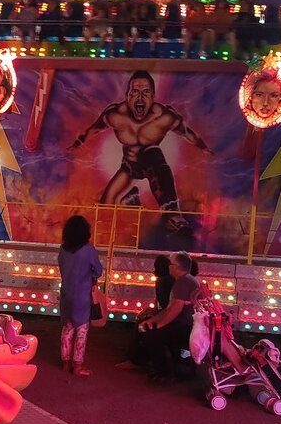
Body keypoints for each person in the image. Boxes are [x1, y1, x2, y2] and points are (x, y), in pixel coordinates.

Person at [69, 69, 211, 232]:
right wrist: (76, 145)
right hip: (130, 166)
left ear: (152, 96)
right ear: (127, 95)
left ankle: (172, 213)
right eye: (135, 92)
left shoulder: (164, 117)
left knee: (151, 152)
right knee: (105, 205)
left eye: (145, 92)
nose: (140, 97)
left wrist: (205, 150)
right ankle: (130, 198)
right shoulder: (115, 115)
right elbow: (93, 129)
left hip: (153, 163)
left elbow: (188, 133)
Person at [134, 251, 200, 378]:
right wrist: (152, 320)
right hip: (187, 325)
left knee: (152, 336)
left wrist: (157, 325)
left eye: (170, 264)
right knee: (149, 328)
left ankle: (163, 372)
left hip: (185, 327)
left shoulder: (182, 283)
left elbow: (174, 311)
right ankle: (163, 369)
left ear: (175, 266)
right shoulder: (186, 280)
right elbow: (169, 309)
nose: (168, 266)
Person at [58, 215, 103, 377]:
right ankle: (77, 365)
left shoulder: (63, 249)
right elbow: (98, 270)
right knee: (81, 331)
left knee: (67, 329)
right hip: (82, 297)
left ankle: (65, 362)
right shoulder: (88, 250)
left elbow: (61, 268)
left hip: (66, 294)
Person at [116, 254, 175, 369]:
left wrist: (153, 317)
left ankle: (135, 360)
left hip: (168, 317)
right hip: (170, 315)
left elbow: (165, 308)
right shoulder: (170, 279)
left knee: (141, 324)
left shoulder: (163, 282)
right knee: (142, 321)